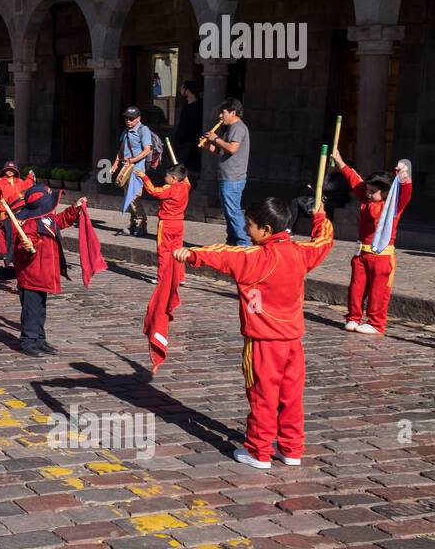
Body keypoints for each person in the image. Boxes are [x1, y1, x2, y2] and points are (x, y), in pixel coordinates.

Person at [174, 197, 334, 469]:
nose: (246, 230)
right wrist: (320, 216)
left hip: (263, 344)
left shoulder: (256, 257)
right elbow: (324, 241)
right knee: (292, 398)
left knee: (263, 397)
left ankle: (259, 451)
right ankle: (291, 449)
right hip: (293, 343)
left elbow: (224, 254)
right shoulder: (300, 252)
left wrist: (191, 255)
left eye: (250, 225)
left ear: (267, 230)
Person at [332, 150, 413, 336]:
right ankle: (353, 317)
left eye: (372, 191)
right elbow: (355, 181)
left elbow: (405, 193)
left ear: (385, 192)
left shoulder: (393, 206)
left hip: (382, 258)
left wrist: (404, 176)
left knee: (378, 292)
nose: (367, 194)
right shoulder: (366, 198)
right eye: (367, 190)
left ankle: (376, 323)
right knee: (356, 289)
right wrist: (340, 162)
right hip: (361, 254)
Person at [10, 185, 87, 357]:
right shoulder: (29, 224)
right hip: (31, 277)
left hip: (43, 276)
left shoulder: (48, 219)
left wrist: (75, 208)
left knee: (40, 311)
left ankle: (39, 339)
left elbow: (61, 220)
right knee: (31, 311)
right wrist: (28, 245)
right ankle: (28, 342)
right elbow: (24, 243)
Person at [136, 163, 191, 373]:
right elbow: (187, 180)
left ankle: (162, 278)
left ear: (173, 179)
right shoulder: (186, 186)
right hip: (180, 224)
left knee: (164, 254)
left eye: (168, 176)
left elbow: (154, 191)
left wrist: (144, 177)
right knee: (179, 254)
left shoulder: (171, 188)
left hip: (167, 224)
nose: (165, 179)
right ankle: (180, 276)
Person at [202, 98, 250, 246]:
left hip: (233, 178)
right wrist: (209, 145)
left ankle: (243, 243)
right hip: (227, 176)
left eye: (223, 113)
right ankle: (232, 241)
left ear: (232, 112)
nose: (220, 116)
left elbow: (232, 148)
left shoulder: (238, 128)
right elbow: (222, 151)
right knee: (228, 212)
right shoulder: (230, 128)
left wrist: (215, 138)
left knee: (233, 211)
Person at [0, 162, 34, 271]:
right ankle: (5, 254)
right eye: (8, 169)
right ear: (4, 171)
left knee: (17, 232)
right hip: (5, 211)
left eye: (12, 169)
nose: (10, 171)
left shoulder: (19, 181)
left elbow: (28, 184)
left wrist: (30, 175)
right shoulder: (0, 182)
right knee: (5, 232)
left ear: (15, 171)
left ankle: (15, 252)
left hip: (18, 210)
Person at [113, 106, 154, 237]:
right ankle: (133, 224)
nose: (128, 121)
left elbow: (147, 149)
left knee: (134, 197)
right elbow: (121, 148)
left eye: (131, 119)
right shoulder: (126, 130)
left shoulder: (143, 130)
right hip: (126, 169)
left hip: (137, 170)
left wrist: (133, 160)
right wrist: (115, 163)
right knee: (128, 197)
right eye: (126, 118)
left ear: (138, 118)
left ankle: (142, 224)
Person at [173, 81, 203, 175]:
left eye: (182, 88)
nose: (180, 90)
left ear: (188, 90)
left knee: (181, 167)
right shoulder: (186, 105)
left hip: (190, 141)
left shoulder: (198, 106)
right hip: (181, 140)